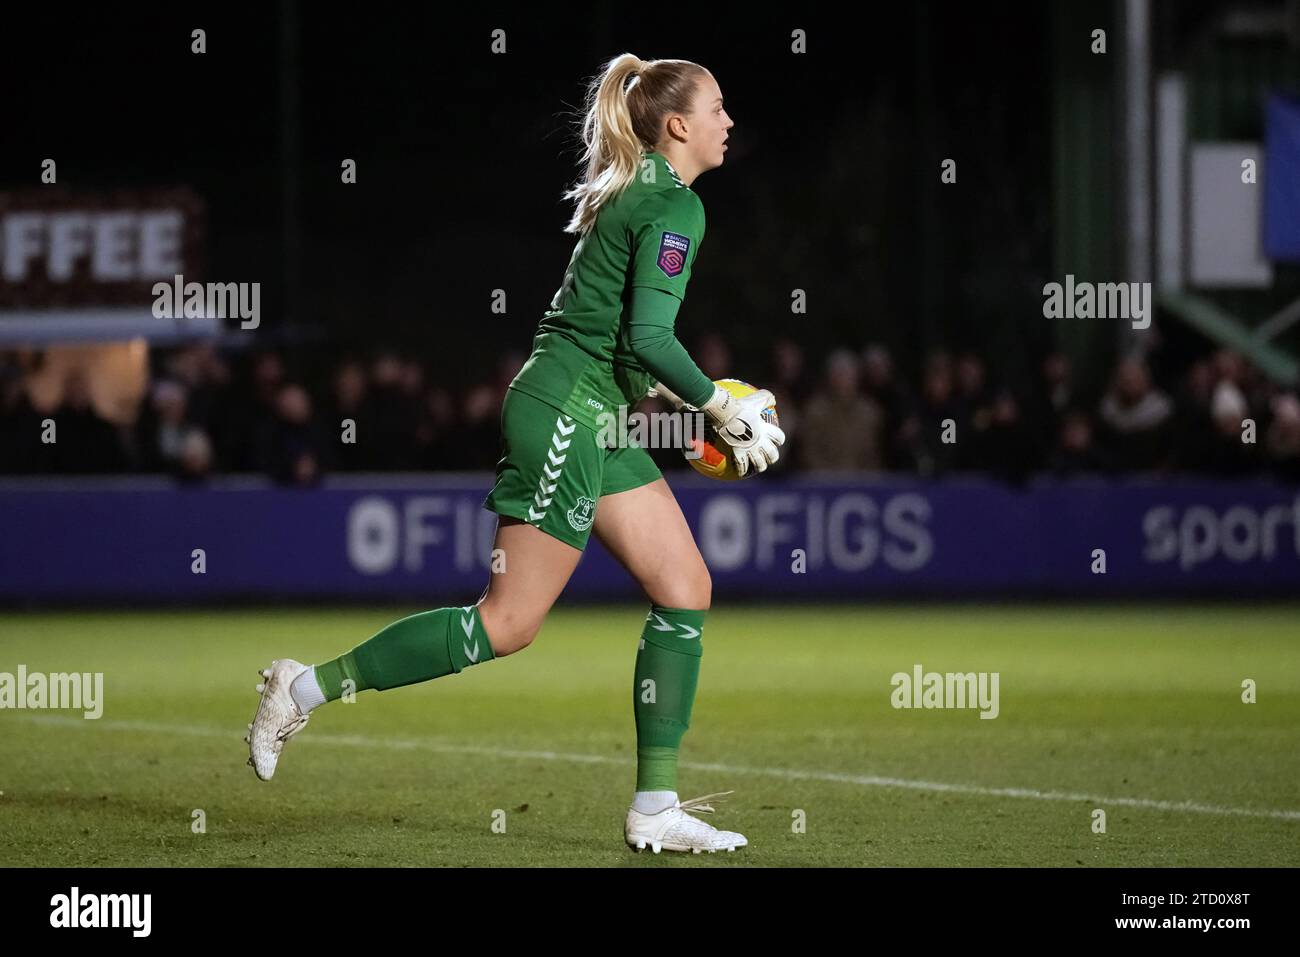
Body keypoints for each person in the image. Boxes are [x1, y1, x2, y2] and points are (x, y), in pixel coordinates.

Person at [246, 53, 786, 855]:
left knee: (685, 586)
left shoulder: (645, 193)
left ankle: (656, 806)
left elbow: (623, 342)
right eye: (717, 106)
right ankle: (305, 686)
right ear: (678, 125)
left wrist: (699, 403)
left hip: (591, 411)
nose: (728, 120)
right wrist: (716, 401)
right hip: (568, 412)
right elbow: (646, 337)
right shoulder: (673, 206)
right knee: (506, 623)